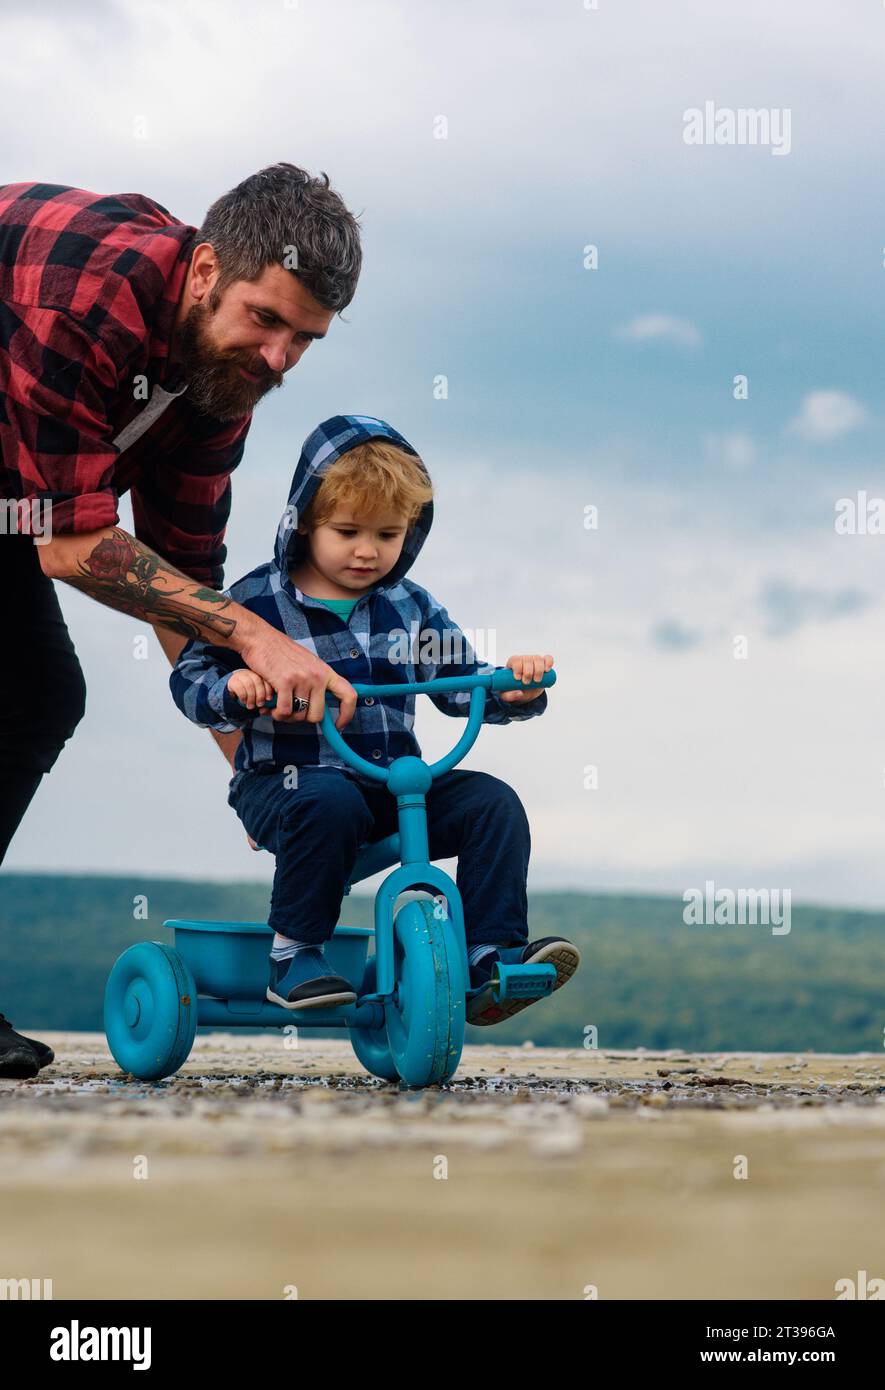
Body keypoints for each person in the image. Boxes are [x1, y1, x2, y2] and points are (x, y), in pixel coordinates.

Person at [0, 165, 363, 1076]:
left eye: (304, 340)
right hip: (38, 509)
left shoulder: (218, 382)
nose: (279, 357)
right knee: (31, 688)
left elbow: (183, 577)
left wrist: (257, 773)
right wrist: (255, 637)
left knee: (32, 695)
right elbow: (76, 544)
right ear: (204, 271)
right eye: (266, 319)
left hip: (18, 498)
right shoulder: (92, 297)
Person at [169, 414, 580, 1026]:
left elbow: (459, 684)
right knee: (328, 798)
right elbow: (190, 680)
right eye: (347, 531)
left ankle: (488, 957)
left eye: (388, 535)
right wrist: (235, 686)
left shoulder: (410, 606)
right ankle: (295, 954)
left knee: (492, 802)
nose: (368, 551)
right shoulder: (254, 603)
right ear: (303, 521)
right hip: (285, 784)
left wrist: (511, 688)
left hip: (390, 783)